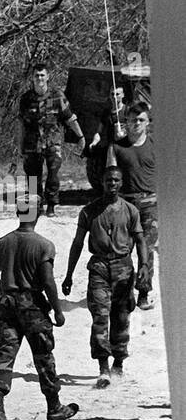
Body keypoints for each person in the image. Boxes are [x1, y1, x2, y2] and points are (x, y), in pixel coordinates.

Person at [0, 194, 79, 420]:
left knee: (5, 355)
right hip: (34, 306)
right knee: (43, 356)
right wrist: (58, 310)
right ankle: (54, 407)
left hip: (8, 305)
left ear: (18, 213)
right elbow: (48, 282)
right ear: (38, 214)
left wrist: (5, 293)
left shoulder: (2, 242)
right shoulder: (44, 245)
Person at [61, 162, 149, 388]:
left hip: (123, 268)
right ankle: (103, 368)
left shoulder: (131, 210)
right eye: (109, 180)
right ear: (102, 182)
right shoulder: (89, 211)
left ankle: (119, 362)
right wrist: (69, 274)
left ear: (121, 183)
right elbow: (78, 243)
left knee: (121, 317)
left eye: (116, 181)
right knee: (99, 316)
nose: (112, 184)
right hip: (99, 268)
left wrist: (144, 266)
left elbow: (140, 241)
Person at [18, 62, 86, 217]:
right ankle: (38, 206)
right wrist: (20, 145)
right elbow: (21, 124)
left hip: (52, 143)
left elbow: (70, 118)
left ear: (47, 77)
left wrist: (80, 137)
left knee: (53, 174)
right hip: (32, 145)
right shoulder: (26, 99)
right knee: (33, 177)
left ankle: (51, 206)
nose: (39, 78)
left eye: (42, 75)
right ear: (32, 78)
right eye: (36, 75)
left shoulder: (57, 96)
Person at [111, 102, 156, 309]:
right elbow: (109, 177)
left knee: (146, 250)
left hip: (150, 204)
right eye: (132, 120)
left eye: (141, 120)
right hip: (126, 206)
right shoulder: (117, 147)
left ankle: (144, 292)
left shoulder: (156, 145)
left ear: (147, 122)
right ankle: (124, 293)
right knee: (123, 250)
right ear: (126, 121)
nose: (136, 123)